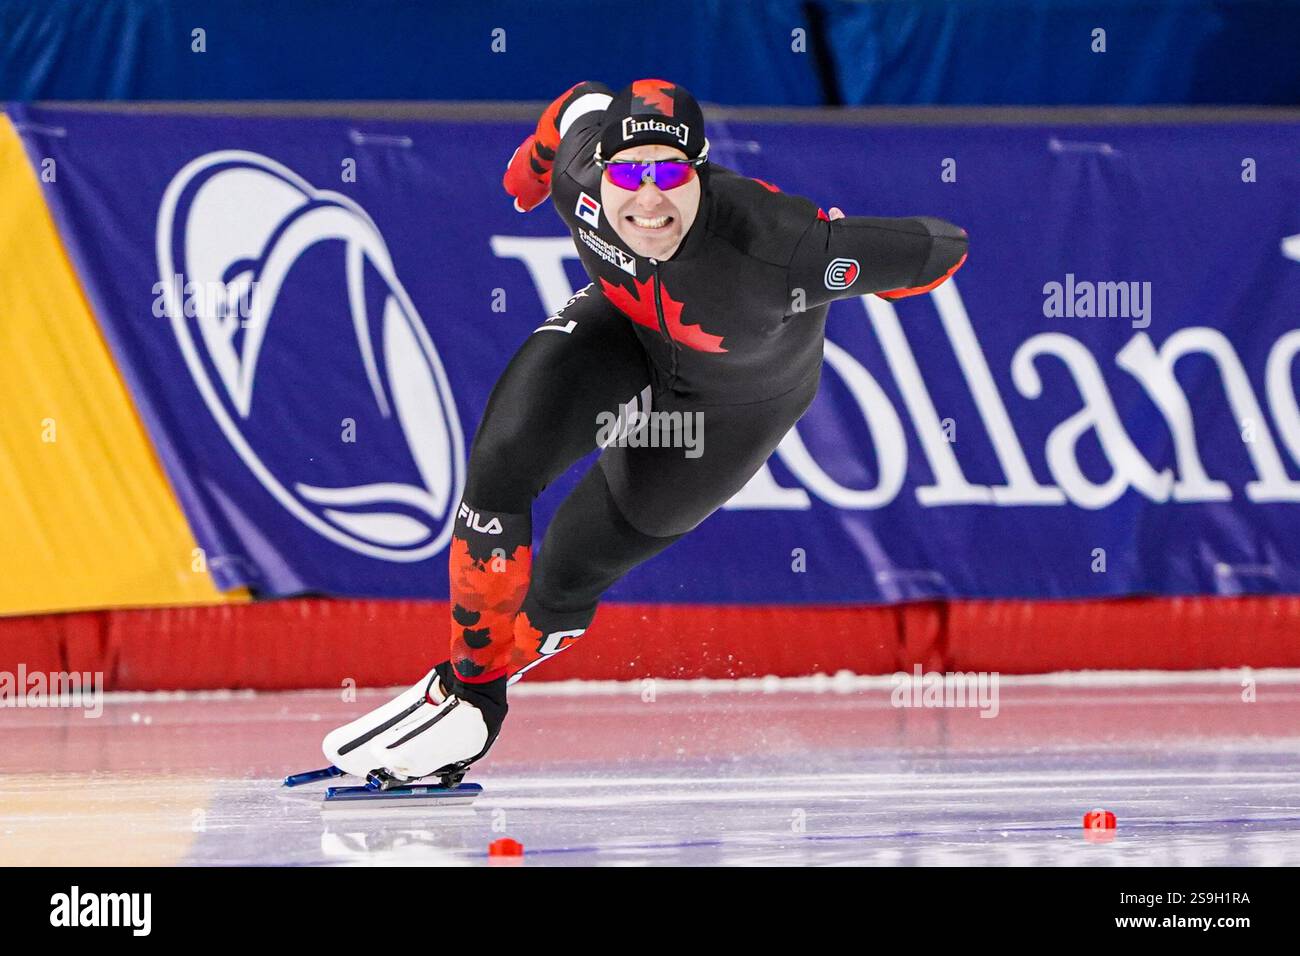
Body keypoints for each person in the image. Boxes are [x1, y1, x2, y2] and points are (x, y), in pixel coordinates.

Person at [322, 78, 968, 786]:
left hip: (727, 406)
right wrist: (530, 171)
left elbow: (941, 246)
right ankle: (470, 697)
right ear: (601, 169)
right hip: (624, 330)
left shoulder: (781, 246)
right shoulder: (579, 175)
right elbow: (574, 105)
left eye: (672, 174)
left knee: (572, 564)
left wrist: (851, 266)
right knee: (501, 465)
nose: (650, 200)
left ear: (701, 172)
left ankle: (479, 685)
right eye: (630, 173)